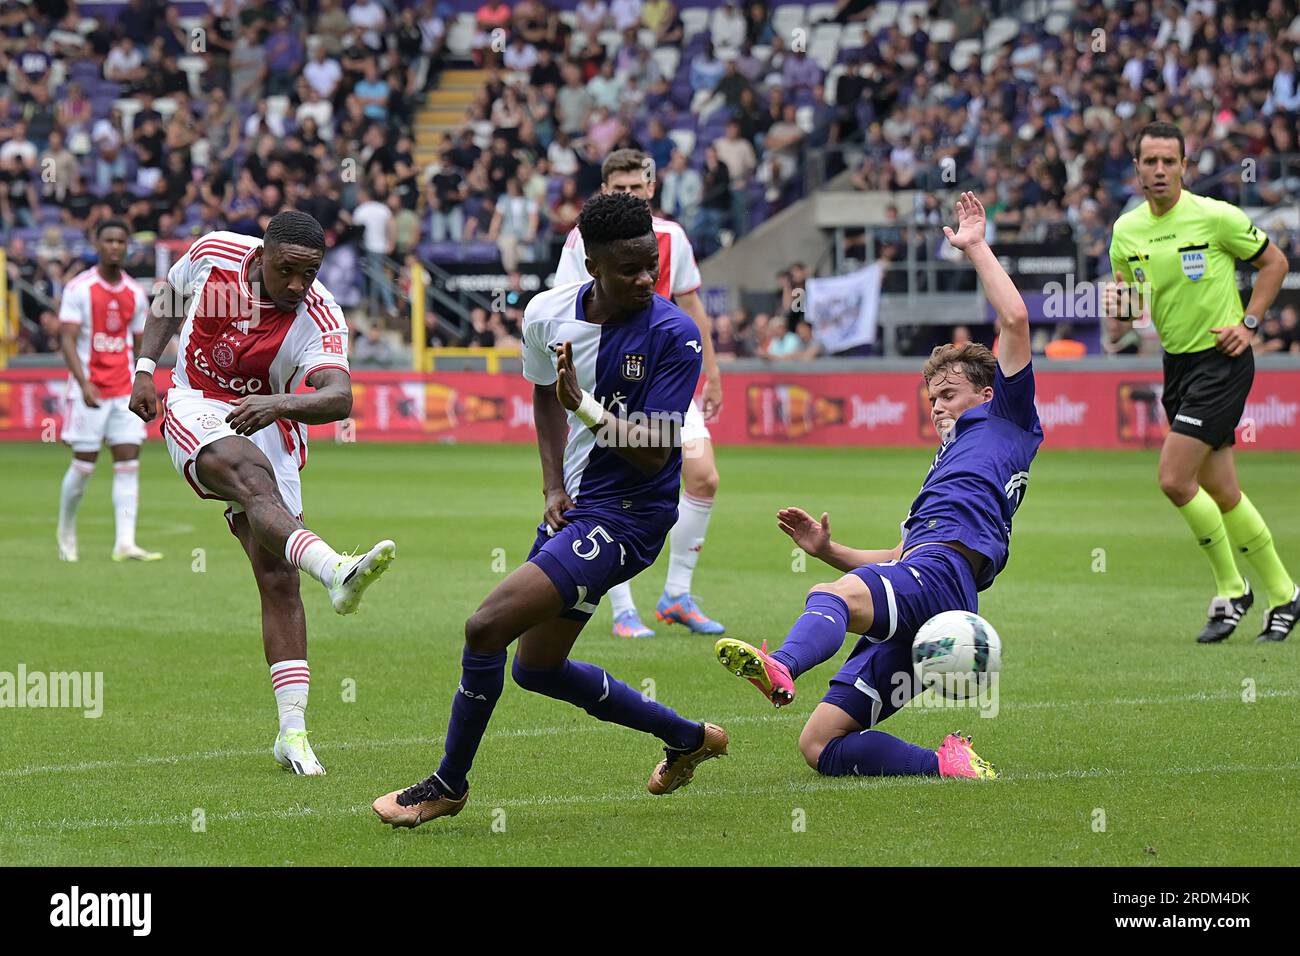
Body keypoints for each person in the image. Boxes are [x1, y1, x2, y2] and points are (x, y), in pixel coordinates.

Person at [372, 193, 728, 828]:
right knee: (537, 669)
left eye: (651, 265)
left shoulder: (675, 334)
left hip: (630, 515)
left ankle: (447, 785)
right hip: (576, 508)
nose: (645, 279)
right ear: (592, 264)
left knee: (484, 627)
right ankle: (687, 737)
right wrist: (550, 488)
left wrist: (586, 407)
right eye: (629, 269)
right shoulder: (545, 316)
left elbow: (654, 454)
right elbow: (544, 396)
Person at [714, 192, 1037, 780]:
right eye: (932, 396)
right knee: (820, 745)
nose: (938, 405)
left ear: (987, 395)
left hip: (940, 580)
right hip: (934, 587)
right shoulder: (945, 465)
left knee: (832, 597)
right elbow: (897, 557)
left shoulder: (1008, 419)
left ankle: (781, 663)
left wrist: (976, 247)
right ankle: (946, 764)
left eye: (950, 394)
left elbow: (1015, 320)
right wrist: (830, 550)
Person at [128, 212, 397, 776]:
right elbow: (168, 299)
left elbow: (339, 397)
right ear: (264, 253)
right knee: (249, 477)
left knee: (277, 578)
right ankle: (337, 571)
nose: (299, 285)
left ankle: (292, 734)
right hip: (195, 401)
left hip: (270, 418)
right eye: (288, 271)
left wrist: (279, 404)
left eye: (311, 273)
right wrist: (145, 367)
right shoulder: (215, 252)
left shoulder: (320, 313)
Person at [1107, 121, 1298, 643]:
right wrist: (1115, 318)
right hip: (1177, 366)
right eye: (1151, 162)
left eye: (1170, 160)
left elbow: (1274, 263)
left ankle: (1231, 589)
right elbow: (1126, 308)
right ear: (1138, 169)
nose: (1161, 170)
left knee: (1173, 478)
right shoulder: (1126, 231)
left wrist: (1250, 323)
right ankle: (1282, 594)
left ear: (1185, 166)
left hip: (1222, 359)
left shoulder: (1215, 216)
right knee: (1222, 489)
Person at [554, 149, 727, 638]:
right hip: (605, 377)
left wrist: (711, 374)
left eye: (636, 187)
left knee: (704, 476)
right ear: (604, 190)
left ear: (650, 188)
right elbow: (572, 307)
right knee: (611, 483)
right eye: (618, 188)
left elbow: (692, 303)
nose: (629, 194)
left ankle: (676, 596)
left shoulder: (674, 237)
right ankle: (622, 608)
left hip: (666, 375)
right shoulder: (580, 242)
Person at [56, 220, 161, 563]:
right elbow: (67, 339)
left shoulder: (133, 292)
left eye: (121, 241)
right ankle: (66, 532)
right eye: (109, 241)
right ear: (96, 244)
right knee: (83, 465)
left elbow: (138, 345)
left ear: (127, 246)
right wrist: (83, 380)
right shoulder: (79, 288)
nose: (115, 246)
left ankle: (125, 543)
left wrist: (142, 382)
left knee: (128, 462)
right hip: (90, 391)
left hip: (123, 391)